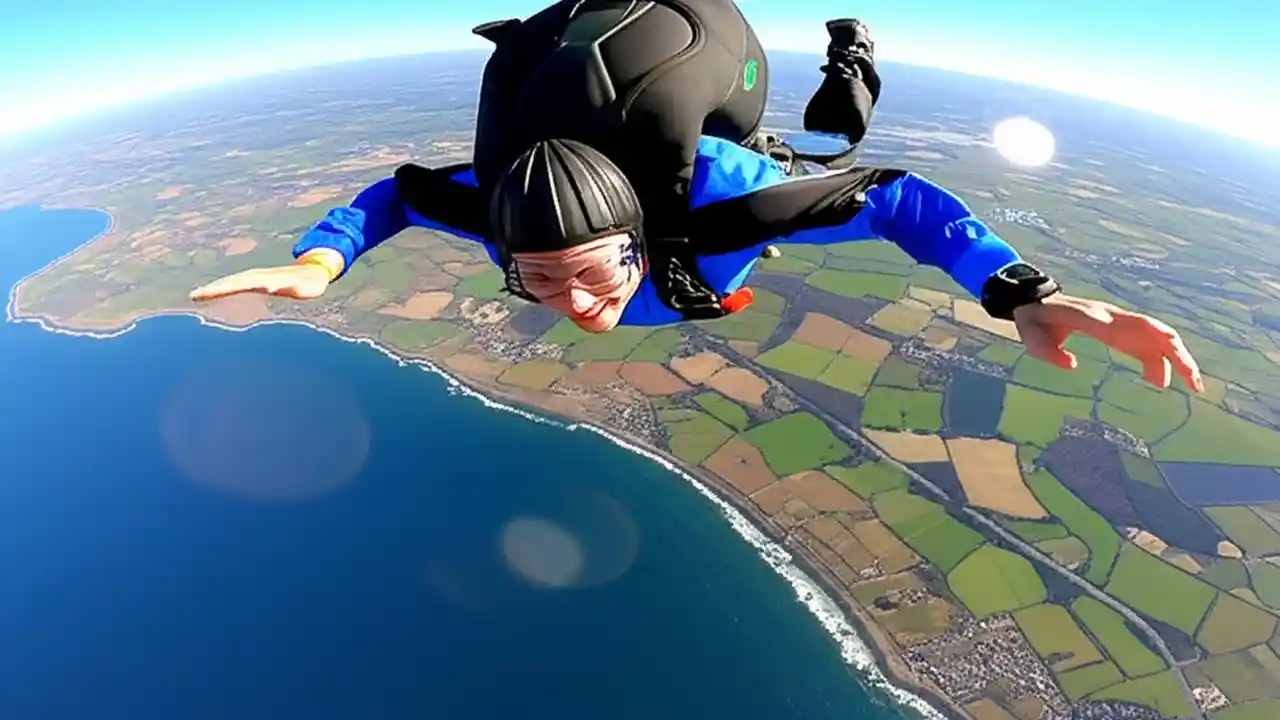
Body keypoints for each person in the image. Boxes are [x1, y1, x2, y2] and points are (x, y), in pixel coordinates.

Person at [189, 4, 1204, 394]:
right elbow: (398, 198)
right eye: (537, 281)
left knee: (831, 138)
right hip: (620, 142)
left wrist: (1018, 289)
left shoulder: (727, 203)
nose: (574, 306)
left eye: (587, 278)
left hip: (714, 109)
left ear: (635, 242)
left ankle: (852, 48)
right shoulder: (504, 210)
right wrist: (318, 261)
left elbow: (893, 199)